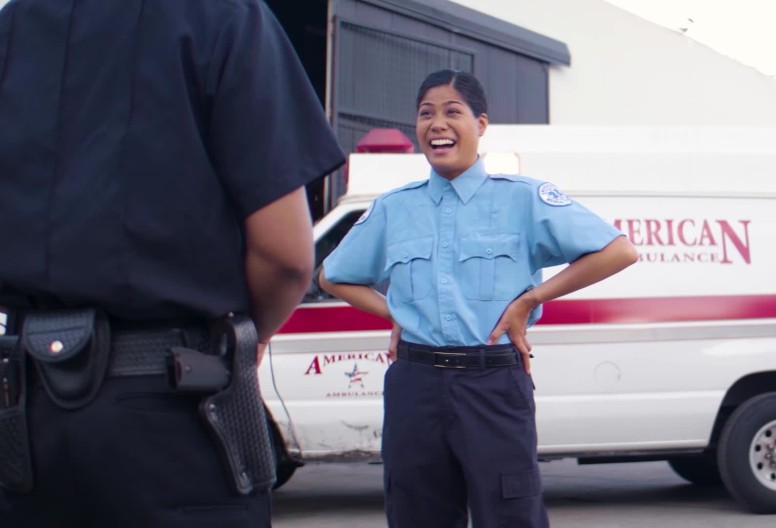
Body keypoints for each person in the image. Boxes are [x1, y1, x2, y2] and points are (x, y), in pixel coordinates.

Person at [0, 0, 345, 526]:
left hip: (24, 414)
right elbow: (287, 257)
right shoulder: (224, 17)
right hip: (176, 404)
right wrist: (245, 336)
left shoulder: (13, 25)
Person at [319, 69, 639, 528]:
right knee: (416, 514)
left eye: (453, 112)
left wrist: (530, 300)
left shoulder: (522, 199)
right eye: (426, 114)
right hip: (416, 386)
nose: (437, 124)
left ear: (481, 124)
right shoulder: (395, 208)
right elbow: (333, 276)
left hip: (493, 384)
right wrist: (401, 311)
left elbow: (619, 251)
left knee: (511, 514)